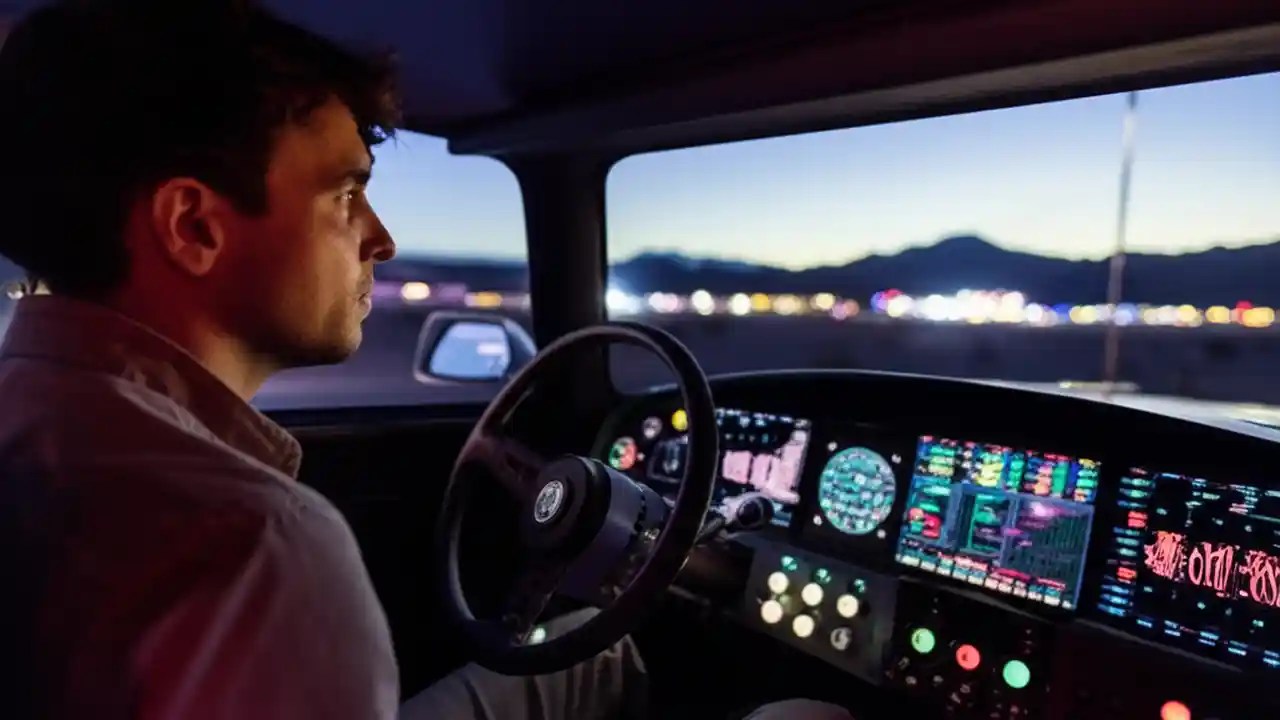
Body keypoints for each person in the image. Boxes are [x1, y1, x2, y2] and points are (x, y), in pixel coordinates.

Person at [0, 2, 854, 719]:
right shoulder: (257, 547)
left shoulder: (31, 413)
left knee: (589, 653)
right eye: (344, 196)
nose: (382, 239)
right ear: (193, 227)